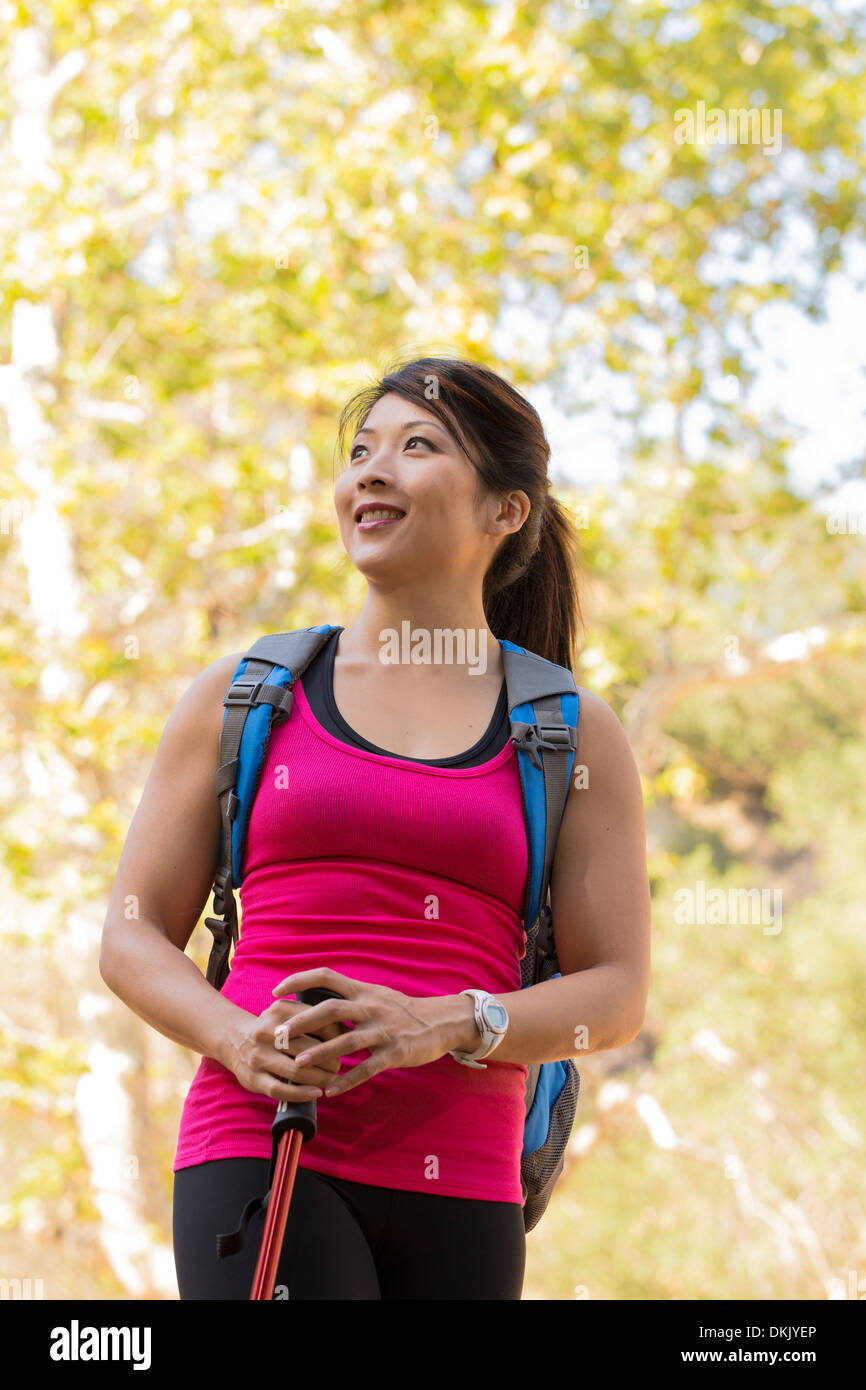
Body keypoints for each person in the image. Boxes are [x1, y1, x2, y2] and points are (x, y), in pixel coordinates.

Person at [99, 355, 651, 1300]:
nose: (371, 470)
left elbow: (617, 996)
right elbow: (130, 934)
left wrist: (449, 1024)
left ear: (505, 511)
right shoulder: (247, 694)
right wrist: (236, 1041)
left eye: (417, 446)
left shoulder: (565, 730)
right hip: (265, 1146)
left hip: (466, 1185)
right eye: (361, 451)